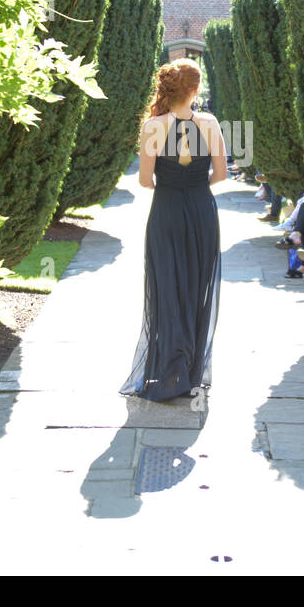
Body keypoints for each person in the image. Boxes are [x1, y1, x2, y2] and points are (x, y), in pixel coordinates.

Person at [121, 59, 227, 402]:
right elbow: (221, 175)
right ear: (194, 90)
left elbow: (144, 180)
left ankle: (168, 369)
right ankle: (190, 370)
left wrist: (171, 183)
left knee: (167, 286)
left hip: (166, 211)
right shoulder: (209, 123)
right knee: (197, 286)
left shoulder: (153, 126)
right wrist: (195, 184)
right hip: (200, 211)